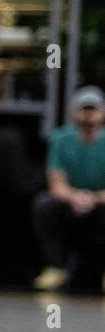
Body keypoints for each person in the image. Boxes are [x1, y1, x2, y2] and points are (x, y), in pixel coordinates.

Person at [32, 86, 105, 291]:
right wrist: (75, 197)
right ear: (74, 112)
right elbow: (56, 183)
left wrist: (94, 198)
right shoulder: (61, 138)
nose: (88, 115)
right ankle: (55, 266)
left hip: (100, 203)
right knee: (45, 204)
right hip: (71, 202)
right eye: (84, 109)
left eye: (94, 109)